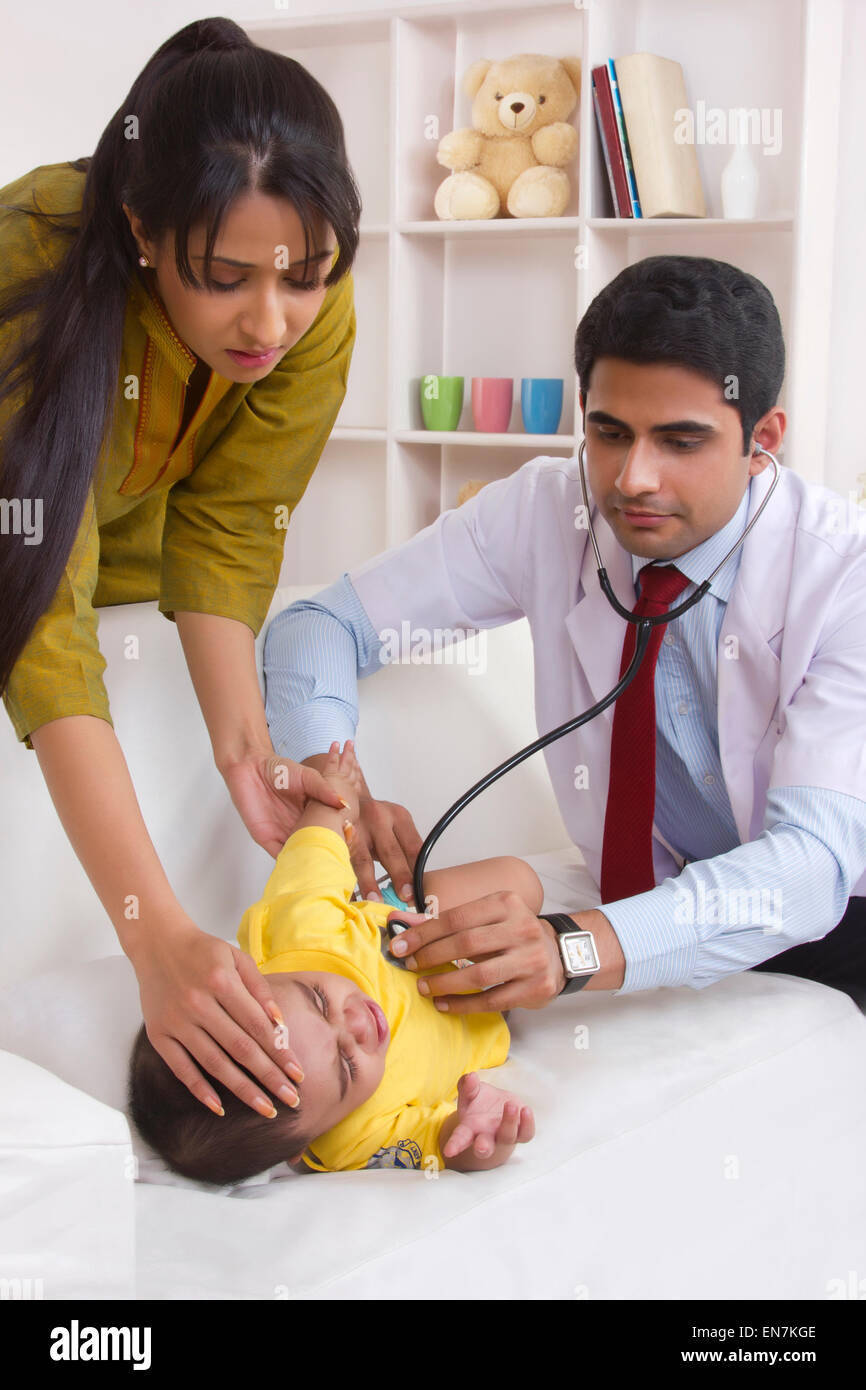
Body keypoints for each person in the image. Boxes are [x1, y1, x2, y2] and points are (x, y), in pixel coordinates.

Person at [263, 255, 866, 1015]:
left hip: (842, 920)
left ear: (763, 438)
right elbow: (317, 628)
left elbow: (811, 869)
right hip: (648, 896)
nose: (633, 479)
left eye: (681, 442)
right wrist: (333, 776)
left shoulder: (845, 574)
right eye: (609, 432)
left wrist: (571, 948)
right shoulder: (548, 509)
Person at [0, 17, 362, 1118]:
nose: (271, 320)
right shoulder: (30, 255)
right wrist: (152, 932)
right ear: (140, 231)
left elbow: (235, 525)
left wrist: (242, 746)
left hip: (118, 563)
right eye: (223, 278)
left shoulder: (308, 297)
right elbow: (38, 610)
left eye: (304, 274)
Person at [128, 740, 537, 1180]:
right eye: (346, 1066)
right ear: (305, 1147)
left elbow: (315, 843)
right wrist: (477, 1134)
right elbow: (440, 1143)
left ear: (252, 974)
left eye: (319, 1001)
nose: (359, 1024)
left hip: (415, 927)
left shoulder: (294, 923)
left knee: (523, 883)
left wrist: (336, 792)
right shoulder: (353, 1138)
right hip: (490, 1010)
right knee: (520, 944)